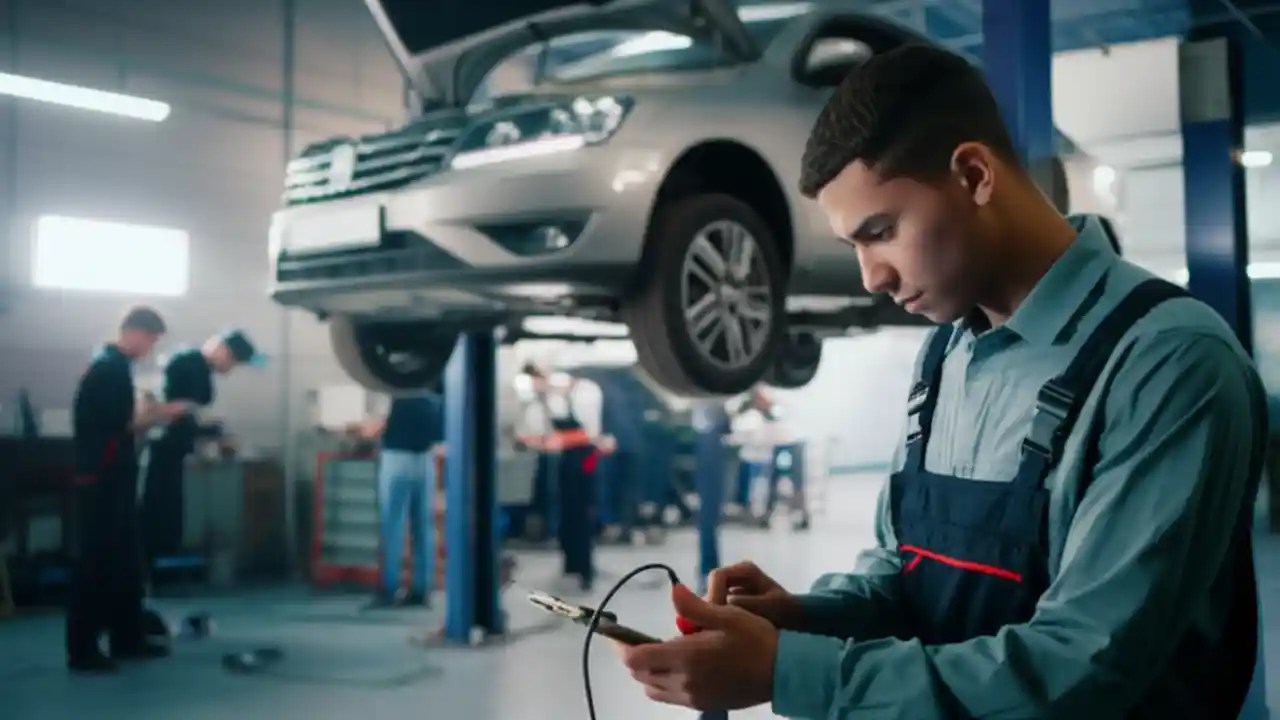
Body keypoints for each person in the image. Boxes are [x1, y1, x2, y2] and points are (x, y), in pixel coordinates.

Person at [617, 43, 1268, 718]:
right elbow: (908, 577)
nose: (872, 276)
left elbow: (1080, 671)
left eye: (882, 231)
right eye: (855, 247)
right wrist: (800, 620)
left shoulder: (1167, 364)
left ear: (974, 174)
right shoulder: (943, 361)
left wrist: (789, 672)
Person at [67, 307, 191, 673]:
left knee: (124, 562)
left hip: (113, 476)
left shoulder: (112, 367)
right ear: (135, 333)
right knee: (97, 562)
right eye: (151, 340)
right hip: (101, 478)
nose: (152, 348)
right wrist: (162, 414)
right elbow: (123, 425)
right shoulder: (110, 370)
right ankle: (83, 648)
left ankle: (127, 636)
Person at [140, 330, 261, 568]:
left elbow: (189, 416)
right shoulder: (189, 366)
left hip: (172, 453)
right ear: (225, 351)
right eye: (234, 362)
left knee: (165, 515)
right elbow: (179, 413)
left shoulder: (197, 368)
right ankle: (145, 573)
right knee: (157, 516)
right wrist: (214, 435)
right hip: (164, 451)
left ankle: (150, 569)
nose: (231, 369)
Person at [517, 362, 613, 593]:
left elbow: (591, 434)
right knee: (566, 515)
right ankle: (570, 567)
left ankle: (585, 570)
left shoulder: (585, 392)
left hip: (586, 460)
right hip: (564, 462)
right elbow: (540, 433)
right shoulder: (546, 401)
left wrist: (558, 441)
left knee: (583, 514)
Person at [365, 390, 445, 608]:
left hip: (396, 457)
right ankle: (421, 590)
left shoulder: (391, 386)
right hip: (425, 459)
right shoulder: (433, 388)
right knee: (423, 527)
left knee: (392, 527)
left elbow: (375, 425)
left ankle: (389, 590)